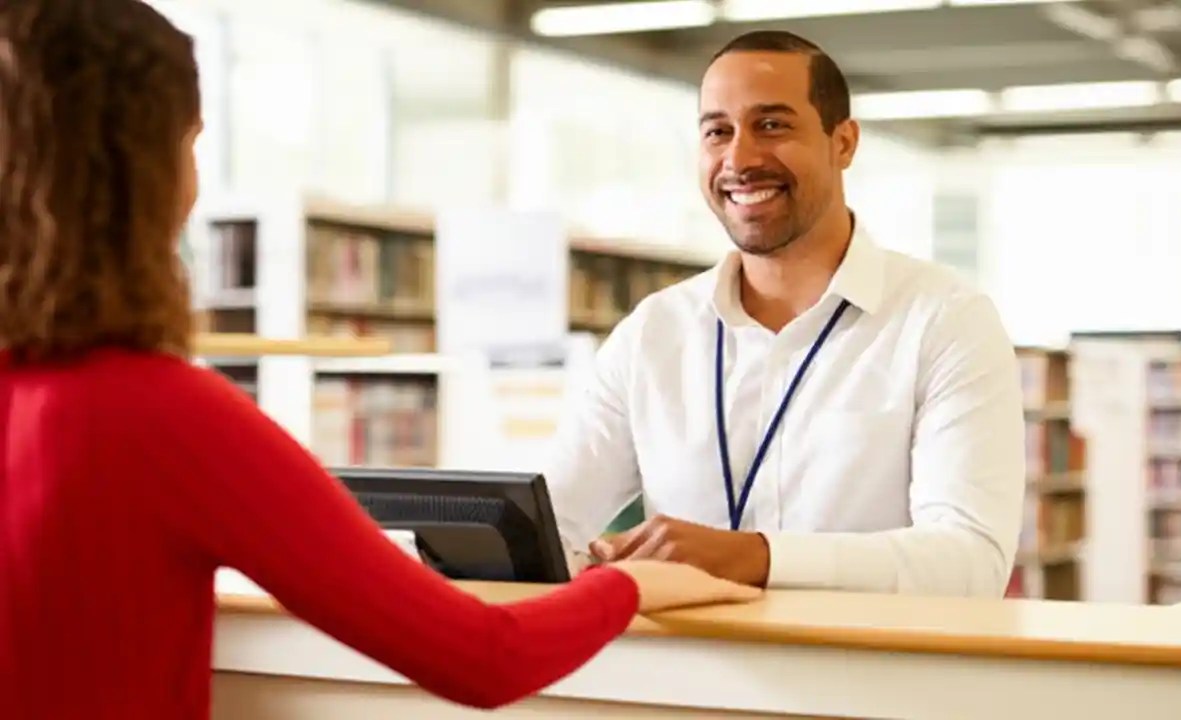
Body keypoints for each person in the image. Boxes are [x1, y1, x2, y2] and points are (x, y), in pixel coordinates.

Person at [0, 2, 760, 718]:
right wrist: (627, 587)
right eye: (191, 143)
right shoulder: (161, 415)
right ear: (136, 170)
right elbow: (483, 657)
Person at [544, 30, 1026, 598]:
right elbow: (549, 520)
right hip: (684, 683)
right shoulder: (654, 333)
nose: (740, 159)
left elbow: (969, 564)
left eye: (772, 125)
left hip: (869, 682)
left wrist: (755, 557)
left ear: (842, 143)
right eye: (718, 132)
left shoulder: (944, 321)